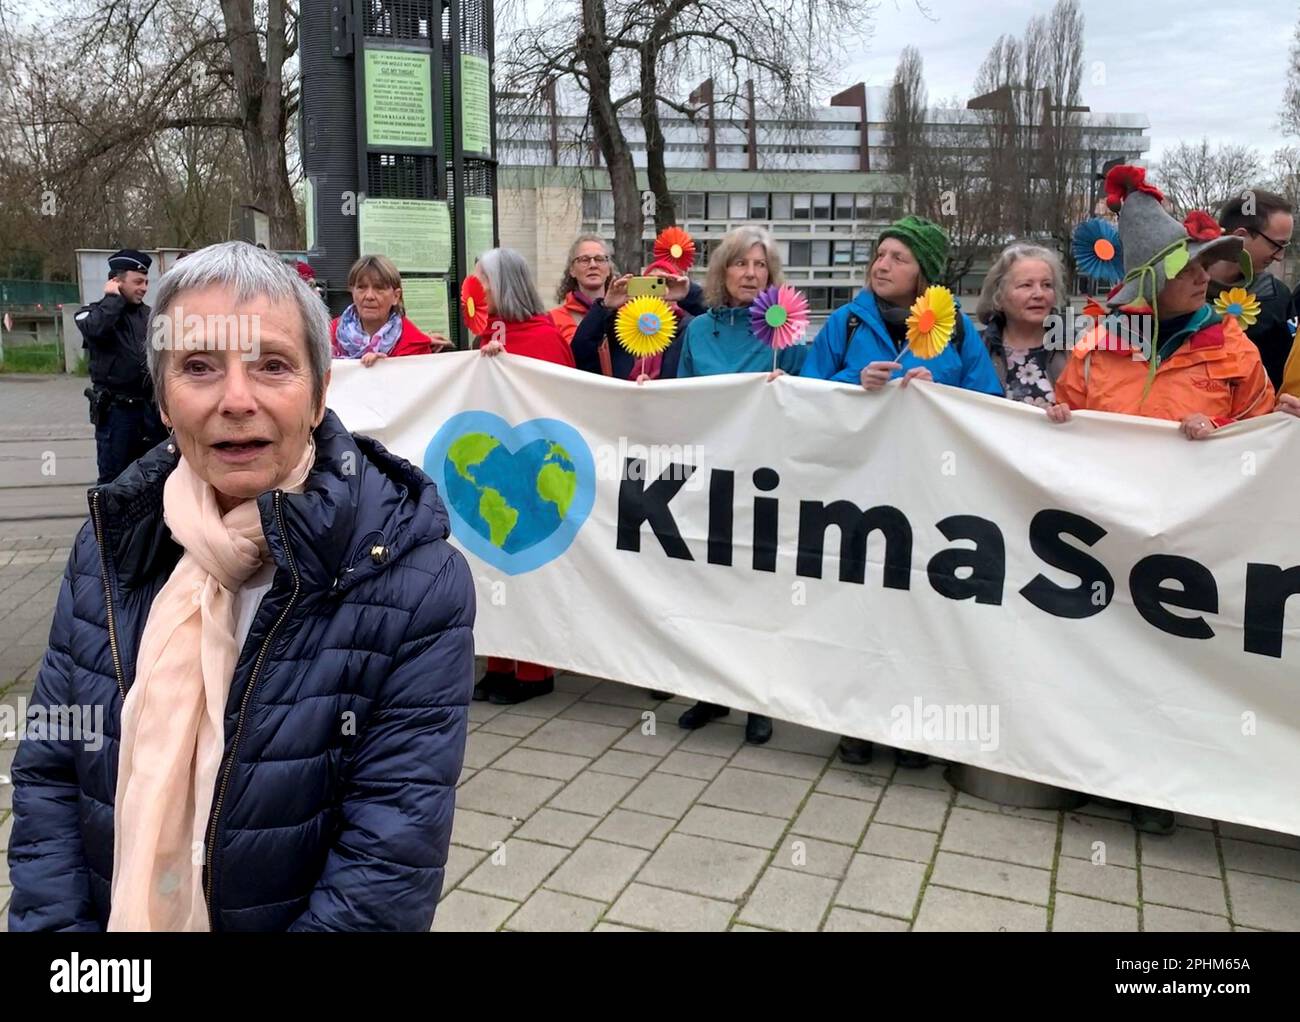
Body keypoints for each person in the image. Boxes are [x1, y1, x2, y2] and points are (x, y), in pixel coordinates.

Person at [8, 242, 474, 931]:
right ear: (163, 400)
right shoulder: (109, 546)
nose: (236, 400)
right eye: (198, 367)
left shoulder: (415, 582)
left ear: (318, 394)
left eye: (272, 366)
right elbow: (51, 774)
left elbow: (385, 866)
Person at [1045, 167, 1300, 834]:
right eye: (1186, 269)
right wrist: (1055, 421)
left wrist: (1237, 431)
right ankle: (1084, 765)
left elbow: (1260, 437)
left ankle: (1152, 783)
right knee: (1096, 649)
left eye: (1204, 267)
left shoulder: (1233, 346)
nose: (1202, 277)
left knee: (1165, 661)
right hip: (1101, 535)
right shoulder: (1096, 343)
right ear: (1150, 280)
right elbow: (1063, 424)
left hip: (1187, 543)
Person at [801, 216, 1001, 768]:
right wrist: (853, 382)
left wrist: (943, 391)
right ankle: (855, 723)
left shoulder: (955, 328)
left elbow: (990, 401)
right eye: (880, 254)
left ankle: (912, 732)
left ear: (923, 275)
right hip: (857, 496)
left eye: (899, 258)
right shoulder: (844, 323)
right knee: (858, 607)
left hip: (927, 499)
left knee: (919, 613)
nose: (882, 265)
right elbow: (803, 395)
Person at [669, 226, 803, 746]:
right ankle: (710, 690)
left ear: (772, 275)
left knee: (756, 590)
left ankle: (757, 699)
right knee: (708, 587)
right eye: (740, 264)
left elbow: (811, 400)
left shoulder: (785, 333)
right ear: (722, 272)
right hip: (710, 478)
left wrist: (789, 390)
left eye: (760, 265)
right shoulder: (699, 331)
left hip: (763, 481)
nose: (750, 274)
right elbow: (681, 398)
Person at [471, 247, 575, 704]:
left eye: (483, 280)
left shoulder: (544, 337)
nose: (476, 288)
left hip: (536, 473)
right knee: (495, 566)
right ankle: (498, 663)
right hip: (498, 469)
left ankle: (535, 671)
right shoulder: (485, 337)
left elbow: (562, 403)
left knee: (530, 572)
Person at [74, 249, 169, 484]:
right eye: (137, 282)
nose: (144, 288)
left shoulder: (151, 317)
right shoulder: (90, 314)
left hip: (150, 412)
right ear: (116, 281)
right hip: (117, 415)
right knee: (113, 479)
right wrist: (113, 299)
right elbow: (97, 329)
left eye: (146, 282)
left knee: (155, 475)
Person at [1207, 190, 1295, 389]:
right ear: (1240, 237)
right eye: (1276, 245)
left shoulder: (1277, 296)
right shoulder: (1169, 288)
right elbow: (1137, 357)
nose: (1279, 257)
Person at [571, 257, 705, 379]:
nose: (655, 292)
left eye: (663, 284)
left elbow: (716, 324)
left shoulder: (688, 328)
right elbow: (581, 350)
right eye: (648, 283)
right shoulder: (622, 326)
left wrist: (689, 293)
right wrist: (605, 307)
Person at [975, 242, 1070, 404]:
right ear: (998, 296)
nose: (1039, 294)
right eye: (1026, 285)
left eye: (1047, 285)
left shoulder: (1075, 351)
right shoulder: (975, 349)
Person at [330, 254, 451, 367]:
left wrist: (387, 368)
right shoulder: (327, 336)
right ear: (352, 292)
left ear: (396, 296)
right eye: (361, 287)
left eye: (379, 288)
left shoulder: (416, 347)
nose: (369, 296)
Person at [548, 235, 616, 346]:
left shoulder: (625, 314)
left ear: (609, 269)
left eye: (599, 259)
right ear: (572, 270)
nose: (593, 265)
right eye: (584, 260)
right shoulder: (553, 319)